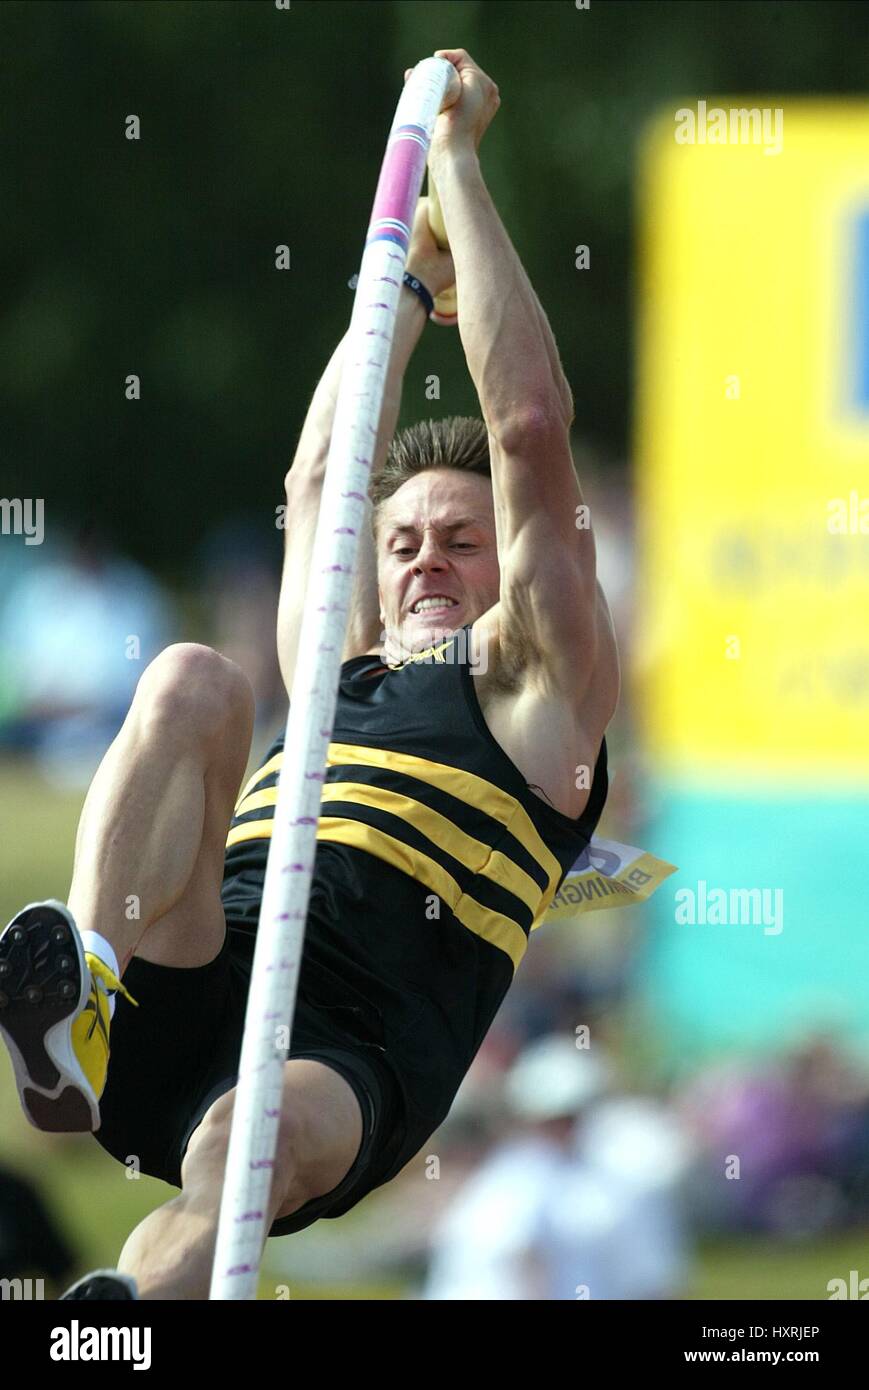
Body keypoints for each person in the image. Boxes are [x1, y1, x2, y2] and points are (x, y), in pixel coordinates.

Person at [0, 49, 619, 1300]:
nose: (426, 559)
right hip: (197, 957)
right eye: (402, 542)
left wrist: (454, 163)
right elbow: (320, 473)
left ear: (511, 565)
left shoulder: (535, 694)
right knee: (189, 680)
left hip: (349, 1052)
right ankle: (84, 1002)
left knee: (238, 1144)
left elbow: (528, 431)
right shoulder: (336, 667)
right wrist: (397, 288)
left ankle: (103, 1331)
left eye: (460, 539)